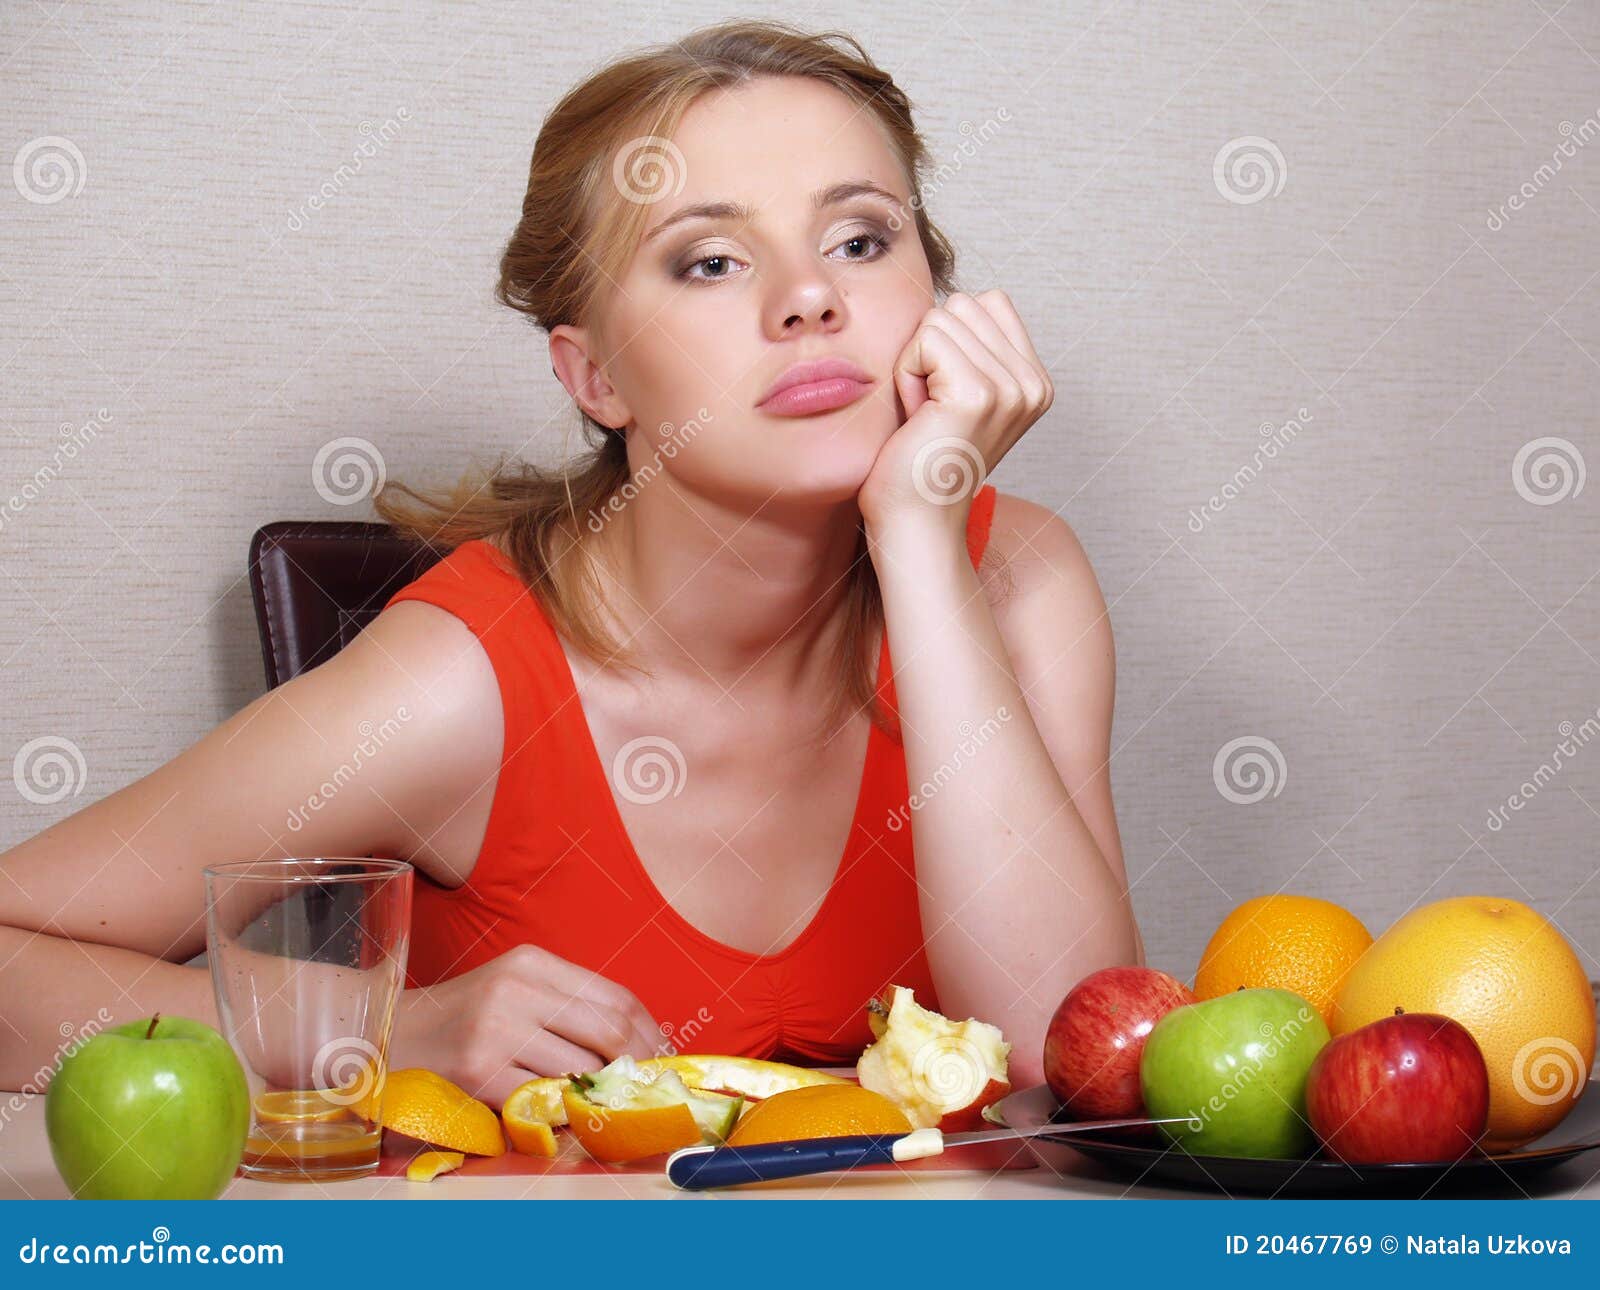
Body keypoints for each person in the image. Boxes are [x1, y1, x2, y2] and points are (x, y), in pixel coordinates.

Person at [0, 19, 1140, 1108]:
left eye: (859, 240)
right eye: (708, 262)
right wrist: (387, 1029)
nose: (809, 298)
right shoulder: (456, 690)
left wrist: (922, 547)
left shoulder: (1016, 581)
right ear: (595, 379)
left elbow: (1068, 1058)